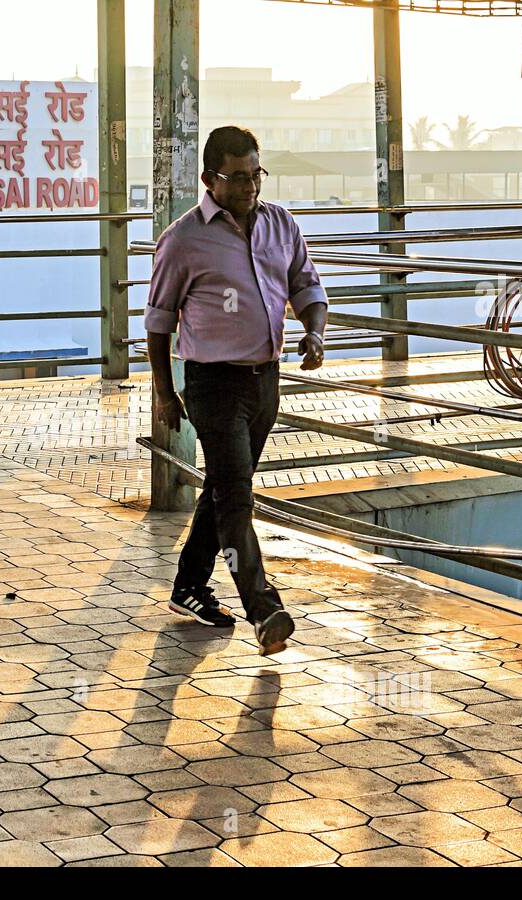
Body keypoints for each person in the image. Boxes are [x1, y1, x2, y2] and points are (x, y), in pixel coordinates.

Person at [144, 125, 329, 656]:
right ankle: (263, 607)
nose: (250, 186)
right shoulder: (183, 239)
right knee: (237, 494)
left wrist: (314, 331)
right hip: (213, 384)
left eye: (256, 174)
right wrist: (163, 391)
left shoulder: (280, 224)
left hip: (264, 380)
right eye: (238, 177)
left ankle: (188, 585)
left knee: (228, 487)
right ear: (210, 180)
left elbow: (306, 285)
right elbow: (158, 321)